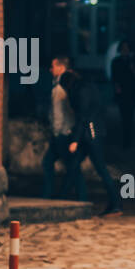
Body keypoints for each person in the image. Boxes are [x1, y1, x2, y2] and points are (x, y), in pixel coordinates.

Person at [56, 56, 123, 217]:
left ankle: (116, 203)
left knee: (99, 168)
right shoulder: (85, 86)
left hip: (91, 134)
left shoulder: (80, 91)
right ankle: (60, 201)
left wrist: (75, 140)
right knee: (73, 166)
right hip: (90, 134)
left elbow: (83, 117)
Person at [42, 62, 83, 199]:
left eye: (53, 66)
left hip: (62, 132)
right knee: (70, 166)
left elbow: (58, 114)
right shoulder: (64, 87)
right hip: (64, 131)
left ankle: (54, 195)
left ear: (61, 68)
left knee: (70, 166)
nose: (50, 69)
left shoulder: (59, 89)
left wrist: (56, 131)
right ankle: (62, 194)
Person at [112, 40, 135, 150]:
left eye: (127, 48)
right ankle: (125, 140)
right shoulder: (116, 61)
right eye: (123, 48)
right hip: (122, 92)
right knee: (124, 116)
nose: (125, 50)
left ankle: (129, 140)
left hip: (132, 92)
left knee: (130, 117)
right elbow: (114, 77)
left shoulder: (133, 61)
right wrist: (117, 87)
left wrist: (134, 70)